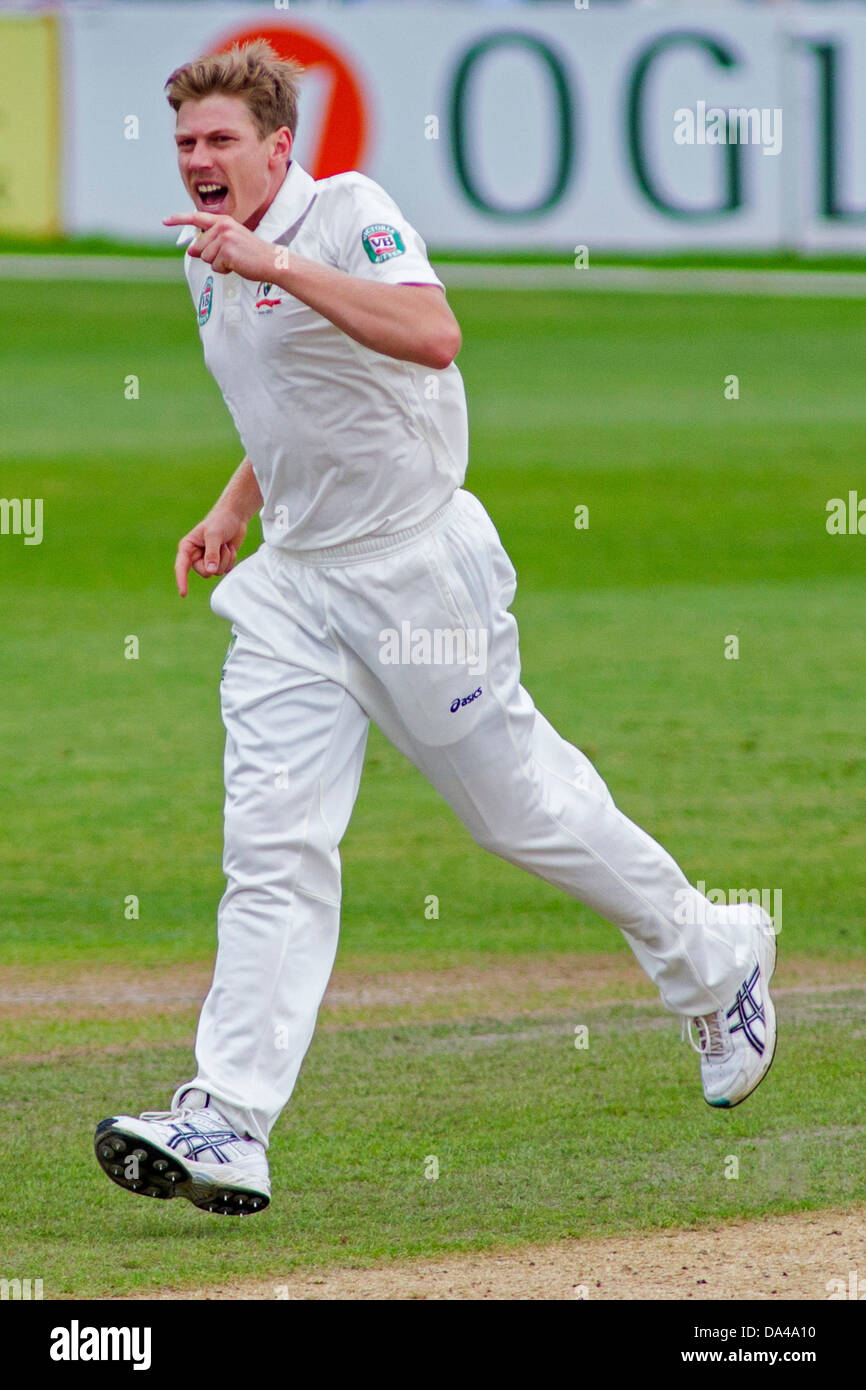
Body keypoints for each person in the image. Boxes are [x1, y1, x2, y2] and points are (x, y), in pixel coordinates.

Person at [94, 41, 776, 1216]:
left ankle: (714, 956)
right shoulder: (205, 256)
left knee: (524, 815)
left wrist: (279, 263)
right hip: (295, 589)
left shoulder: (347, 211)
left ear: (276, 148)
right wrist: (232, 506)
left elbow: (431, 336)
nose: (199, 161)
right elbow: (290, 401)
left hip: (416, 578)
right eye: (185, 143)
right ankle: (229, 1118)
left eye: (220, 141)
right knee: (272, 847)